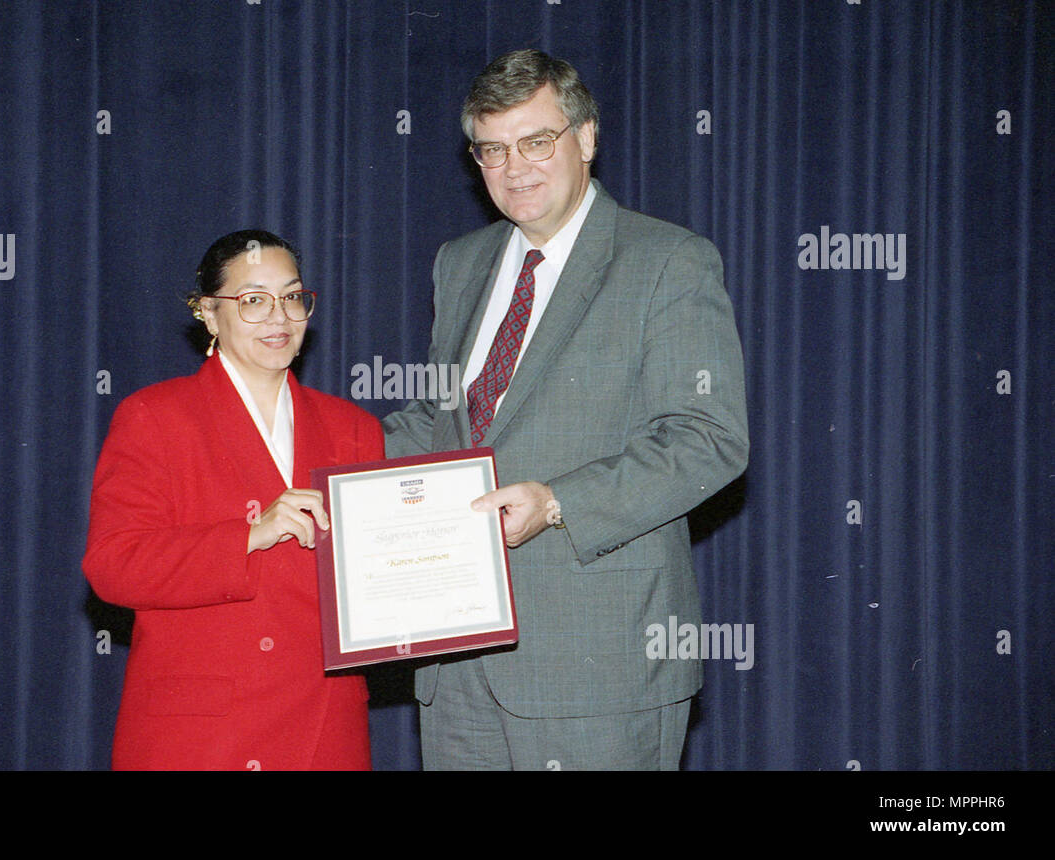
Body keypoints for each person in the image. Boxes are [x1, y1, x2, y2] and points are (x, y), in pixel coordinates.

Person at [383, 49, 749, 770]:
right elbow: (433, 419)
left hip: (600, 669)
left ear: (586, 138)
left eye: (535, 141)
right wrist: (348, 493)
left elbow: (709, 438)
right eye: (491, 149)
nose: (514, 167)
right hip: (456, 663)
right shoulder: (459, 262)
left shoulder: (668, 260)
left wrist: (556, 503)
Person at [83, 230, 383, 770]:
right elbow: (113, 567)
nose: (279, 317)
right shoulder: (154, 417)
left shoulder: (353, 428)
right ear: (207, 313)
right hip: (201, 739)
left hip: (322, 731)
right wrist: (249, 535)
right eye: (252, 300)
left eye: (292, 297)